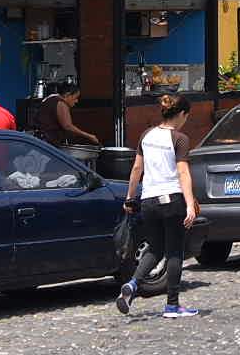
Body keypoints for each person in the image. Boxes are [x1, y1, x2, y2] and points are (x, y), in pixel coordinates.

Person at [115, 93, 199, 319]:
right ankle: (172, 305)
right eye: (186, 116)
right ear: (181, 114)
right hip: (172, 199)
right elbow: (183, 172)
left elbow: (136, 169)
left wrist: (129, 197)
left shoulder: (146, 135)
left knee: (155, 249)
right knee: (174, 252)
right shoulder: (180, 139)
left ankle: (132, 284)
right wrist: (190, 204)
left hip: (148, 201)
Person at [34, 80, 98, 146]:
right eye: (76, 98)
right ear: (67, 95)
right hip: (46, 142)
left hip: (40, 140)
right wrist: (89, 136)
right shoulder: (61, 103)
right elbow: (68, 126)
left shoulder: (51, 99)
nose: (77, 101)